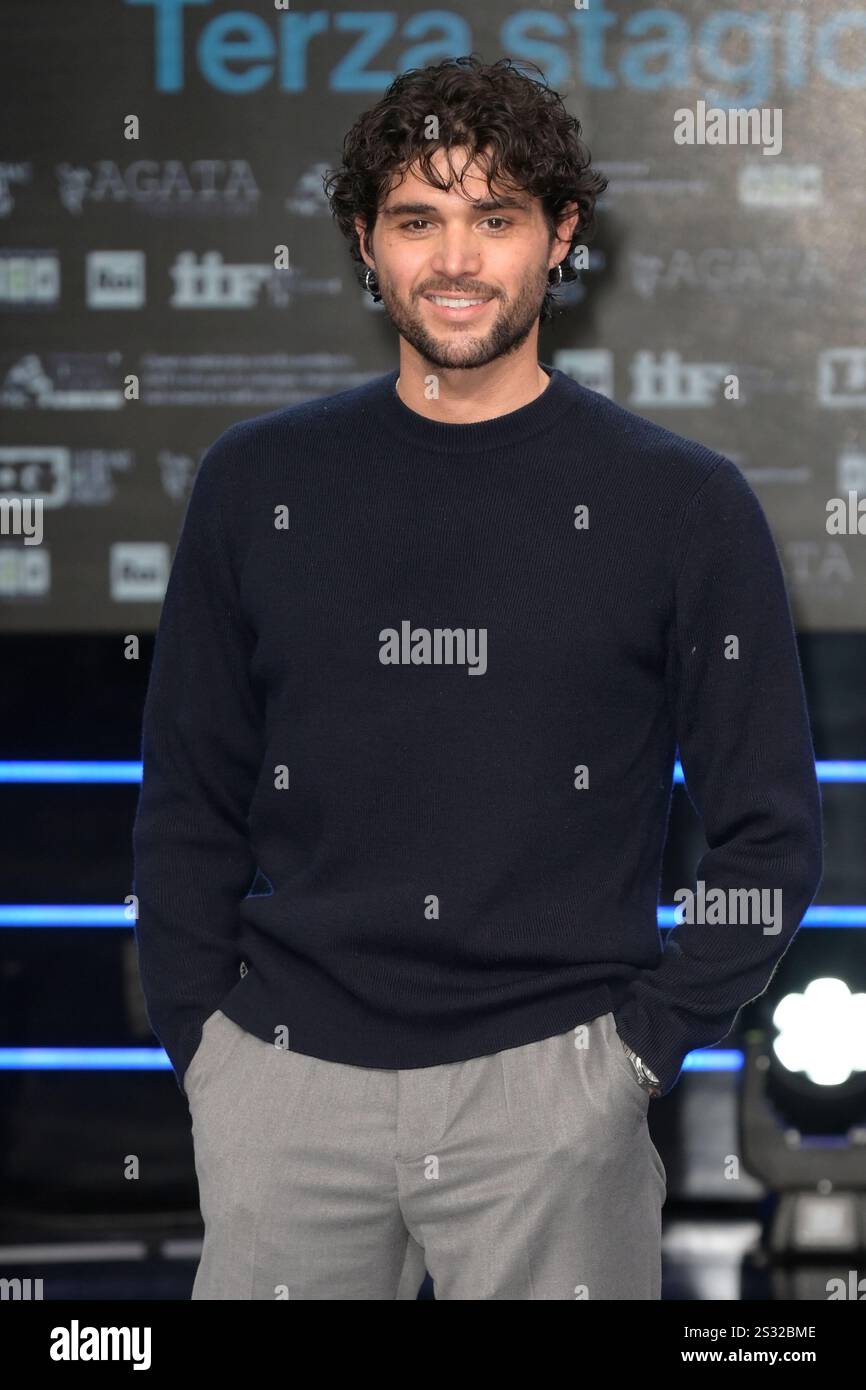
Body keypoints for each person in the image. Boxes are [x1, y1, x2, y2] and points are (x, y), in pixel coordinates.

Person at [132, 55, 823, 1300]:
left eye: (495, 216)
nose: (456, 259)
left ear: (559, 237)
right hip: (285, 1098)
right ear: (363, 240)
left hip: (555, 1103)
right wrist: (213, 1057)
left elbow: (769, 834)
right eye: (418, 218)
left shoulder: (679, 504)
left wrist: (632, 1062)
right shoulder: (256, 484)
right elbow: (188, 799)